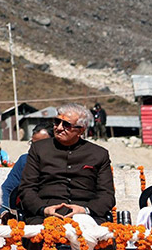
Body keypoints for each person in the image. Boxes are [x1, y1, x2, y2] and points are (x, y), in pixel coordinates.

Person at [16, 103, 115, 248]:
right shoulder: (39, 149)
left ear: (81, 130)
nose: (59, 127)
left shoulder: (99, 154)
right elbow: (27, 189)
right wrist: (44, 209)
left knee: (104, 238)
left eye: (66, 125)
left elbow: (107, 195)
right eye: (57, 122)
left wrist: (85, 210)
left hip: (88, 215)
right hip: (45, 215)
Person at [0, 121, 53, 214]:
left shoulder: (63, 162)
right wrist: (4, 211)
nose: (35, 148)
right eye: (32, 143)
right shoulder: (24, 161)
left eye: (40, 144)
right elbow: (7, 189)